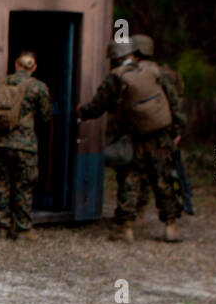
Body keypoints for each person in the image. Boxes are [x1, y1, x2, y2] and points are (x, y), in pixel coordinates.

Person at [78, 37, 185, 241]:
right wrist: (176, 130)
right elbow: (173, 101)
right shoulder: (154, 70)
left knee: (129, 179)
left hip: (132, 137)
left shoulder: (116, 77)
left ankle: (125, 227)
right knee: (163, 179)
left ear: (114, 58)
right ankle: (171, 226)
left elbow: (98, 105)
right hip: (160, 136)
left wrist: (81, 113)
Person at [0, 52, 52, 240]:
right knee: (24, 186)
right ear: (33, 68)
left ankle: (1, 228)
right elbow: (45, 117)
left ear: (15, 64)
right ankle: (22, 229)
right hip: (24, 145)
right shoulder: (38, 87)